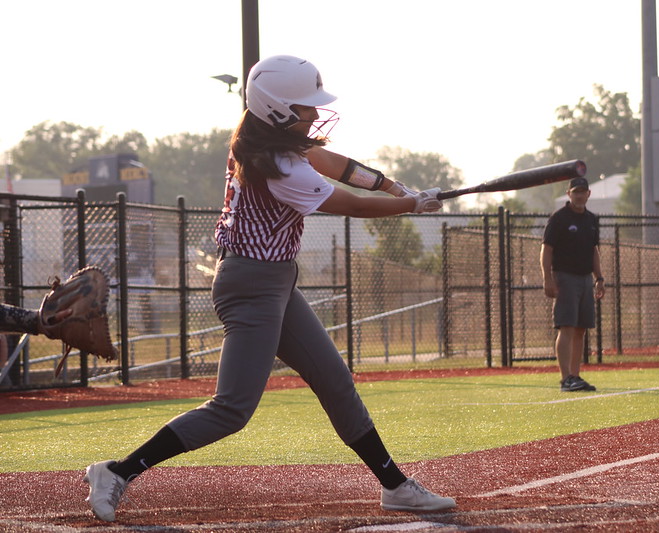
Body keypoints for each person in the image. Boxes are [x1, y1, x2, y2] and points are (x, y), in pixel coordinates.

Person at [82, 55, 456, 522]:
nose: (315, 113)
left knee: (335, 381)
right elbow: (352, 205)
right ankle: (117, 472)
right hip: (251, 284)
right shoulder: (278, 165)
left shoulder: (261, 138)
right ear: (276, 110)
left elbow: (333, 162)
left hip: (274, 280)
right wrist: (409, 206)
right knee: (231, 410)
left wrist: (392, 185)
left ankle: (395, 486)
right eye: (304, 106)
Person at [540, 176, 605, 392]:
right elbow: (546, 249)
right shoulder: (559, 218)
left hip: (585, 278)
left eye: (582, 191)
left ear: (588, 194)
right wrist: (547, 278)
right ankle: (565, 378)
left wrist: (599, 278)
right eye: (575, 191)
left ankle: (576, 376)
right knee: (566, 326)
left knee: (580, 329)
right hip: (565, 277)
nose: (579, 195)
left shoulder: (591, 219)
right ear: (569, 194)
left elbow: (594, 251)